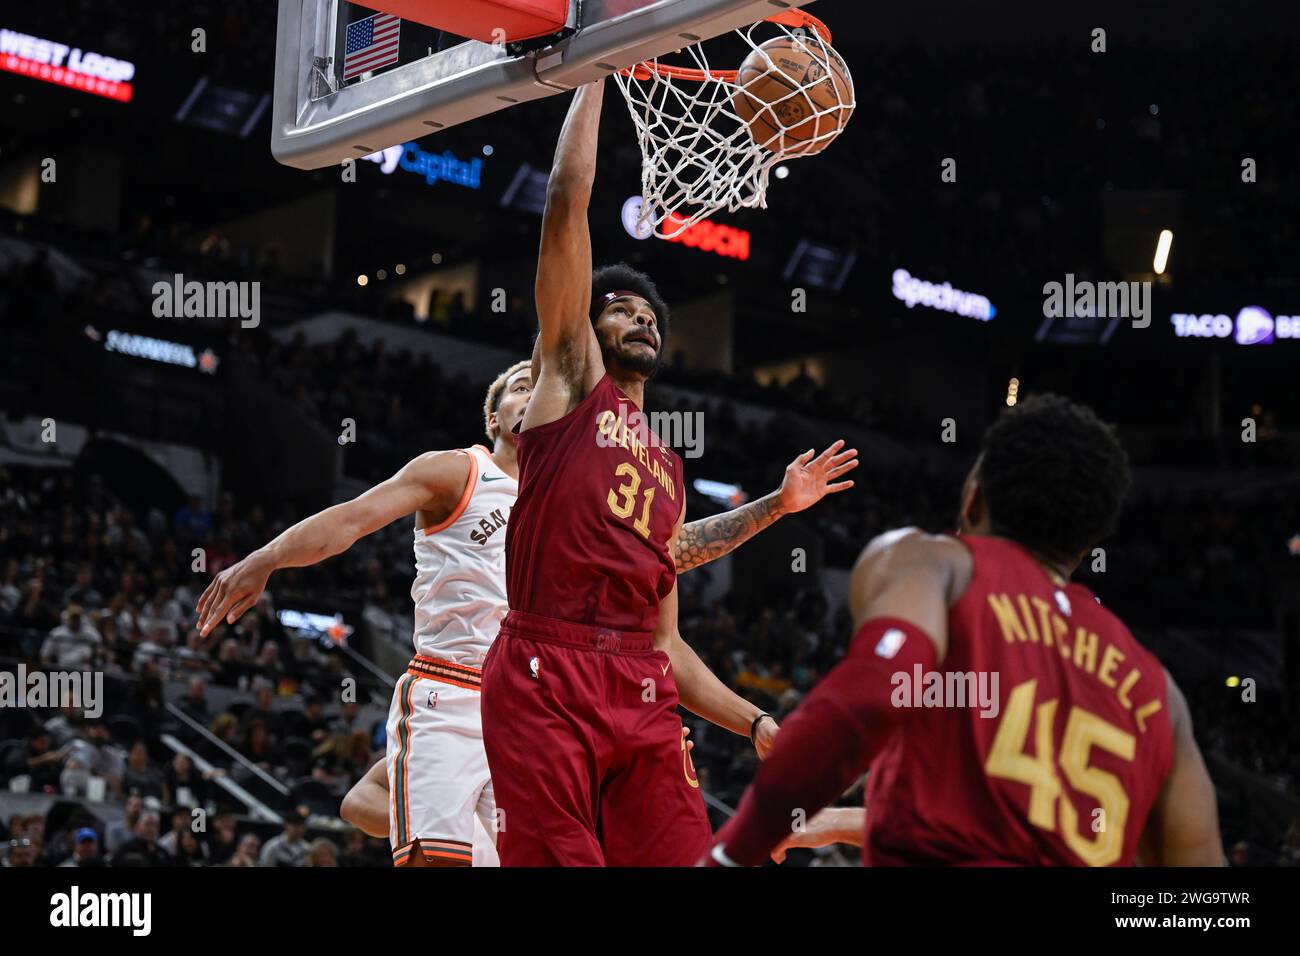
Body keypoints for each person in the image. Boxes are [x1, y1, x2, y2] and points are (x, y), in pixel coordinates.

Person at [201, 359, 852, 867]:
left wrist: (776, 505)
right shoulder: (457, 472)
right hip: (455, 691)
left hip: (546, 710)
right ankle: (429, 809)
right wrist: (266, 558)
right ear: (495, 416)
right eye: (520, 385)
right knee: (436, 853)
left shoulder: (585, 501)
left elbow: (672, 551)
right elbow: (351, 520)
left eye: (543, 386)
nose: (534, 393)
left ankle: (431, 809)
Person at [479, 77, 858, 866]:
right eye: (622, 308)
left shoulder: (663, 461)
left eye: (650, 315)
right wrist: (595, 69)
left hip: (637, 678)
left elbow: (670, 626)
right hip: (547, 667)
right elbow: (565, 203)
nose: (642, 318)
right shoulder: (570, 379)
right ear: (589, 322)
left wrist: (756, 720)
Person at [707, 395, 1224, 867]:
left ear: (973, 499)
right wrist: (841, 823)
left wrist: (732, 854)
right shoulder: (1160, 694)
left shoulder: (935, 562)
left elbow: (862, 702)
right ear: (1087, 547)